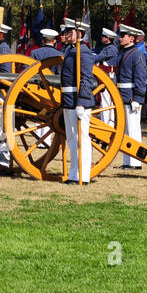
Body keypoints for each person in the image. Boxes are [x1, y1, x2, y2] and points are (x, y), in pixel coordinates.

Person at [58, 19, 96, 185]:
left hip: (78, 101)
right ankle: (74, 174)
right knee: (72, 140)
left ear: (79, 34)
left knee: (82, 139)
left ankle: (84, 175)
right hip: (68, 100)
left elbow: (87, 79)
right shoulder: (70, 50)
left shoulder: (84, 52)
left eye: (69, 32)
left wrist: (81, 102)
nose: (66, 35)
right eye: (65, 32)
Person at [114, 25, 145, 168]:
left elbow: (140, 77)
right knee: (125, 130)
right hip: (121, 95)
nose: (120, 38)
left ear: (131, 38)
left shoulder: (136, 54)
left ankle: (135, 162)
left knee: (133, 130)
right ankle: (127, 161)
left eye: (123, 36)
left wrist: (138, 99)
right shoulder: (122, 52)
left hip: (131, 97)